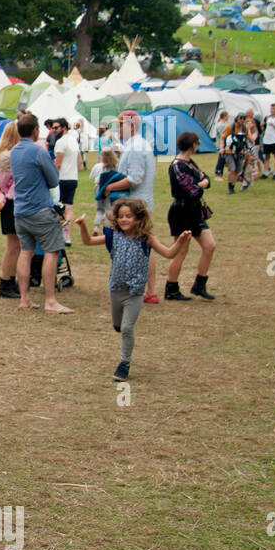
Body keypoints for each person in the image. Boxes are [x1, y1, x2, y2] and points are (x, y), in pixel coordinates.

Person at [75, 200, 190, 380]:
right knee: (118, 325)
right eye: (121, 216)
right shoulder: (113, 236)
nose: (124, 219)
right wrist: (82, 226)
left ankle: (124, 364)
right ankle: (118, 325)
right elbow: (88, 241)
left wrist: (181, 242)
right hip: (115, 290)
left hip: (135, 293)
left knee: (127, 329)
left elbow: (168, 253)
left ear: (138, 218)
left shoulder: (146, 239)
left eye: (128, 216)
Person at [9, 114, 73, 314]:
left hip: (20, 210)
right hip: (40, 209)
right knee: (52, 251)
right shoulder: (39, 151)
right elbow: (54, 180)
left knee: (25, 252)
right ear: (36, 130)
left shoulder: (13, 152)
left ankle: (24, 298)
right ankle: (50, 300)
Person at [107, 111, 159, 302]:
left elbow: (135, 178)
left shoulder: (136, 147)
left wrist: (109, 186)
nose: (117, 129)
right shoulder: (135, 145)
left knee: (143, 247)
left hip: (136, 205)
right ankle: (145, 290)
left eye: (120, 125)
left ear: (131, 126)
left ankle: (146, 290)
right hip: (136, 204)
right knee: (141, 246)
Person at [164, 131, 217, 301]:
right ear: (192, 145)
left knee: (210, 246)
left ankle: (199, 285)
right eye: (197, 143)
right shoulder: (178, 165)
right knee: (181, 251)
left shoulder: (190, 163)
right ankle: (171, 288)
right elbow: (192, 190)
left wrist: (201, 183)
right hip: (181, 212)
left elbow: (204, 179)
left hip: (195, 211)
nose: (198, 146)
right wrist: (202, 184)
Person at [0, 122, 22, 298]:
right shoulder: (8, 156)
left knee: (15, 246)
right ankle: (6, 282)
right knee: (13, 246)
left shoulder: (0, 154)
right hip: (11, 201)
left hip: (7, 202)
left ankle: (10, 280)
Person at [53, 116, 82, 227]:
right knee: (69, 208)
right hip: (73, 178)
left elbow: (58, 164)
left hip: (62, 179)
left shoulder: (60, 142)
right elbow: (79, 161)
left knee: (59, 208)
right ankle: (68, 236)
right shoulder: (73, 141)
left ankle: (62, 233)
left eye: (56, 128)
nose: (54, 130)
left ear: (64, 127)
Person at [262, 103, 275, 178]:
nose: (272, 110)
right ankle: (266, 172)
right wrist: (262, 125)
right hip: (267, 139)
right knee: (267, 156)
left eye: (273, 108)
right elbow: (263, 129)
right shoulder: (267, 117)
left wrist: (274, 126)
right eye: (271, 108)